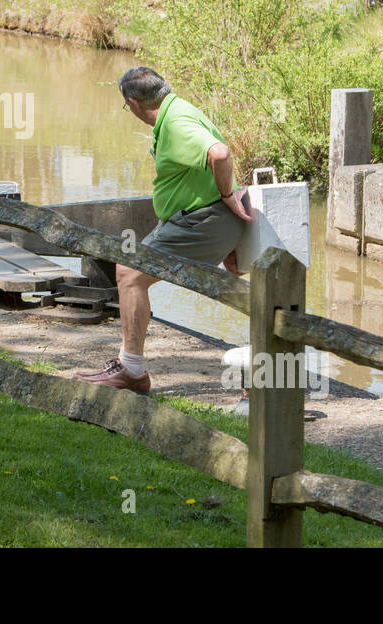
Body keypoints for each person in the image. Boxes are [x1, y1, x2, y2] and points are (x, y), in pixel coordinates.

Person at [75, 66, 253, 394]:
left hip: (202, 221)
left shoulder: (174, 122)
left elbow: (220, 153)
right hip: (200, 221)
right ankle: (266, 366)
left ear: (133, 102)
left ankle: (131, 370)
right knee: (134, 272)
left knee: (129, 272)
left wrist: (226, 198)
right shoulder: (177, 109)